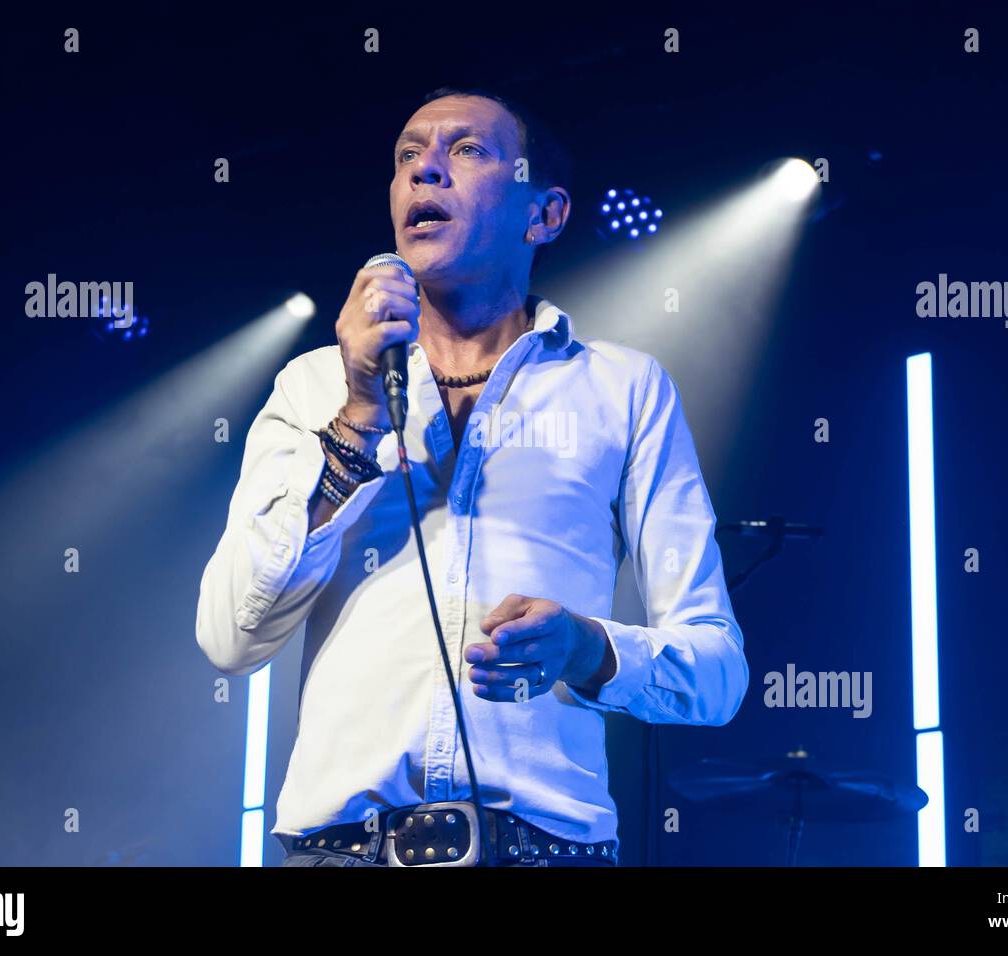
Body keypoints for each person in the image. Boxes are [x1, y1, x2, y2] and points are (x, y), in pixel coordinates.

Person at [196, 87, 748, 867]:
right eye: (407, 157)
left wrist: (583, 647)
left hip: (545, 851)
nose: (425, 171)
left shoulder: (623, 389)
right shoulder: (314, 387)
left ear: (544, 215)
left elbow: (716, 672)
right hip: (342, 854)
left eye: (466, 150)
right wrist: (359, 415)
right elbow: (230, 636)